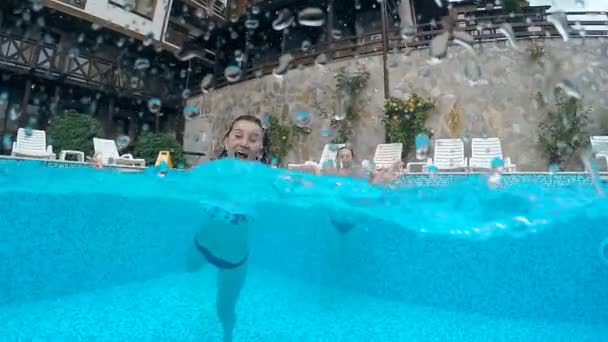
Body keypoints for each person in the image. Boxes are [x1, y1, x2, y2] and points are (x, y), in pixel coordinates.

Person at [186, 114, 269, 342]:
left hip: (234, 262)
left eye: (253, 139)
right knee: (190, 269)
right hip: (202, 245)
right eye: (238, 135)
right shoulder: (210, 172)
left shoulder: (263, 182)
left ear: (260, 150)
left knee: (224, 309)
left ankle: (228, 336)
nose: (244, 142)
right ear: (226, 141)